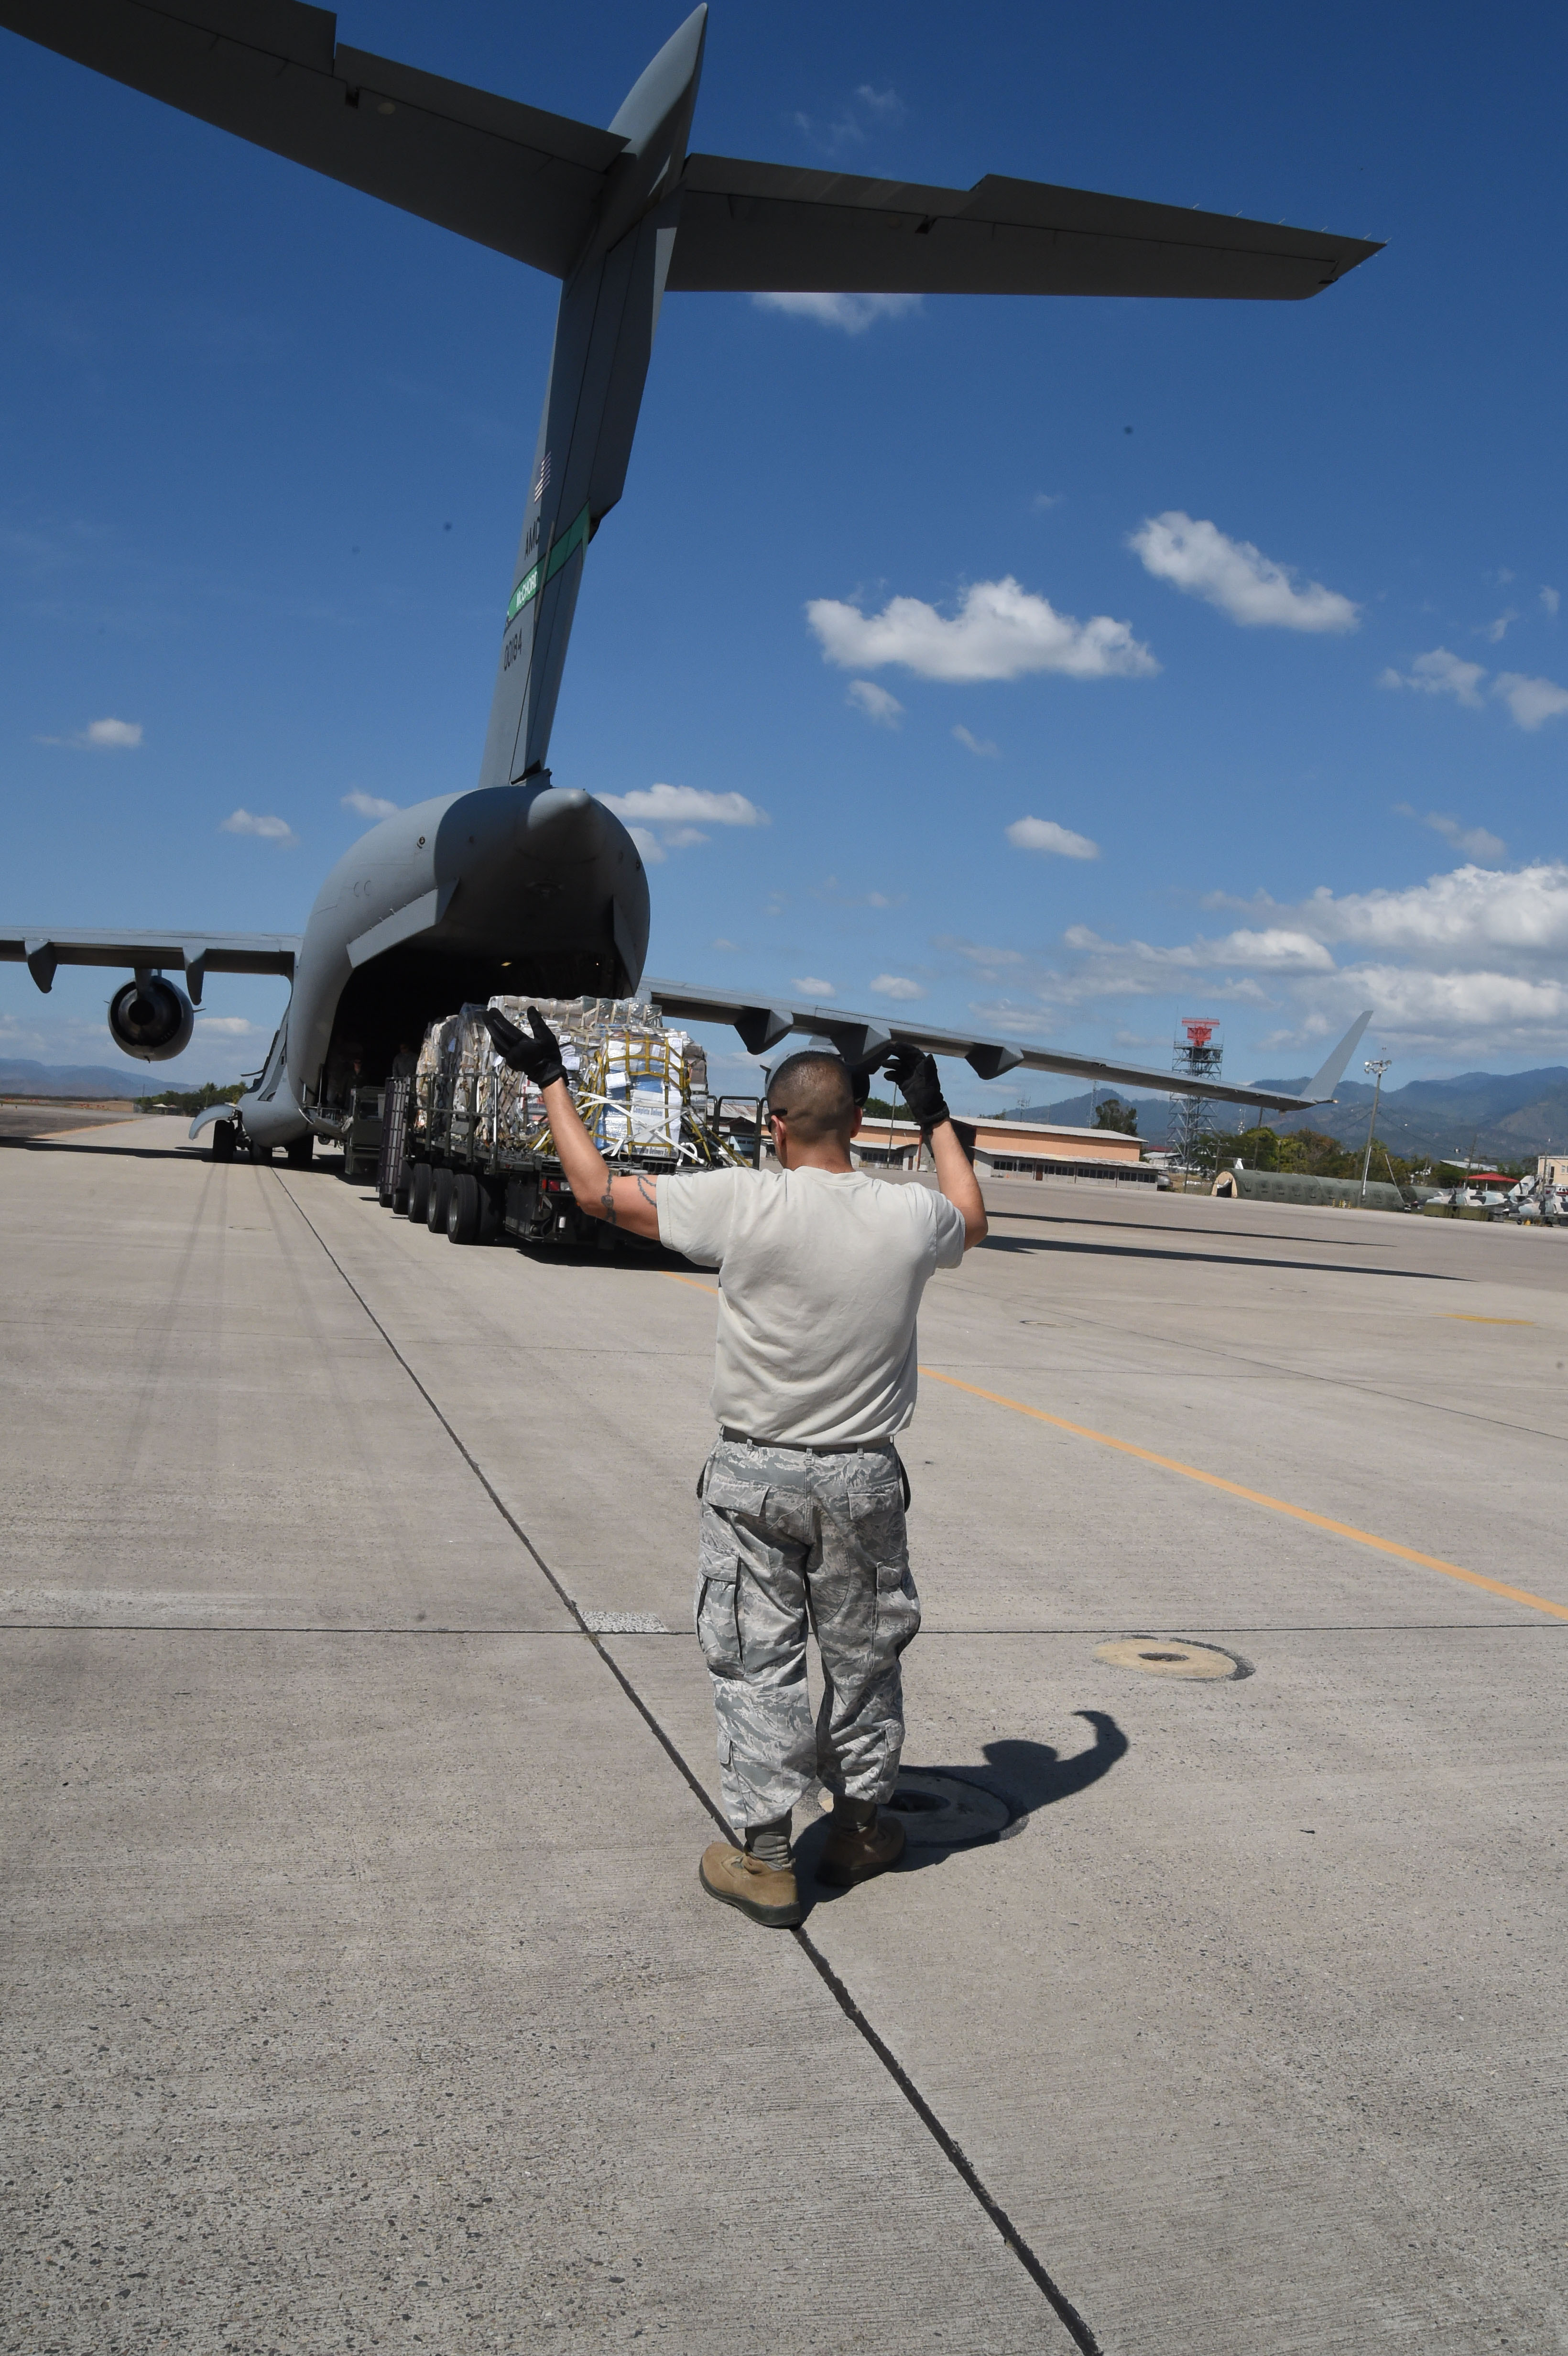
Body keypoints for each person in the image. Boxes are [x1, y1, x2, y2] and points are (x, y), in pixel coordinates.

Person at [485, 1004, 987, 1929]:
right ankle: (860, 1828)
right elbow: (973, 1217)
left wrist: (550, 1076)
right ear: (861, 1126)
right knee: (865, 1656)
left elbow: (595, 1192)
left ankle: (764, 1860)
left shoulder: (740, 1200)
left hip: (756, 1477)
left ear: (777, 1126)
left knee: (757, 1661)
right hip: (862, 1478)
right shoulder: (908, 1216)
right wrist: (936, 1113)